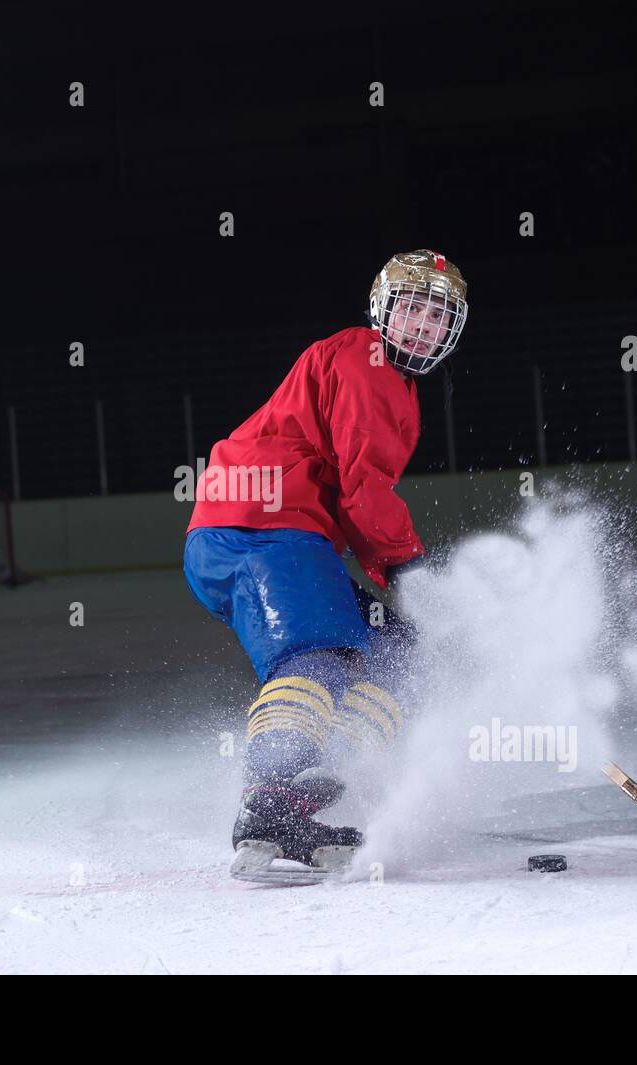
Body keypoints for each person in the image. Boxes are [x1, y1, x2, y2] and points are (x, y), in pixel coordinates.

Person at [182, 250, 469, 882]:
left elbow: (353, 496)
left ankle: (324, 777)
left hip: (293, 535)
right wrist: (411, 570)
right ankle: (268, 804)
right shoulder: (363, 358)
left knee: (397, 646)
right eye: (412, 309)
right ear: (383, 313)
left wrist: (404, 576)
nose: (423, 325)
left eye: (437, 316)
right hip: (256, 524)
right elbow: (362, 492)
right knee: (319, 653)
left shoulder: (400, 388)